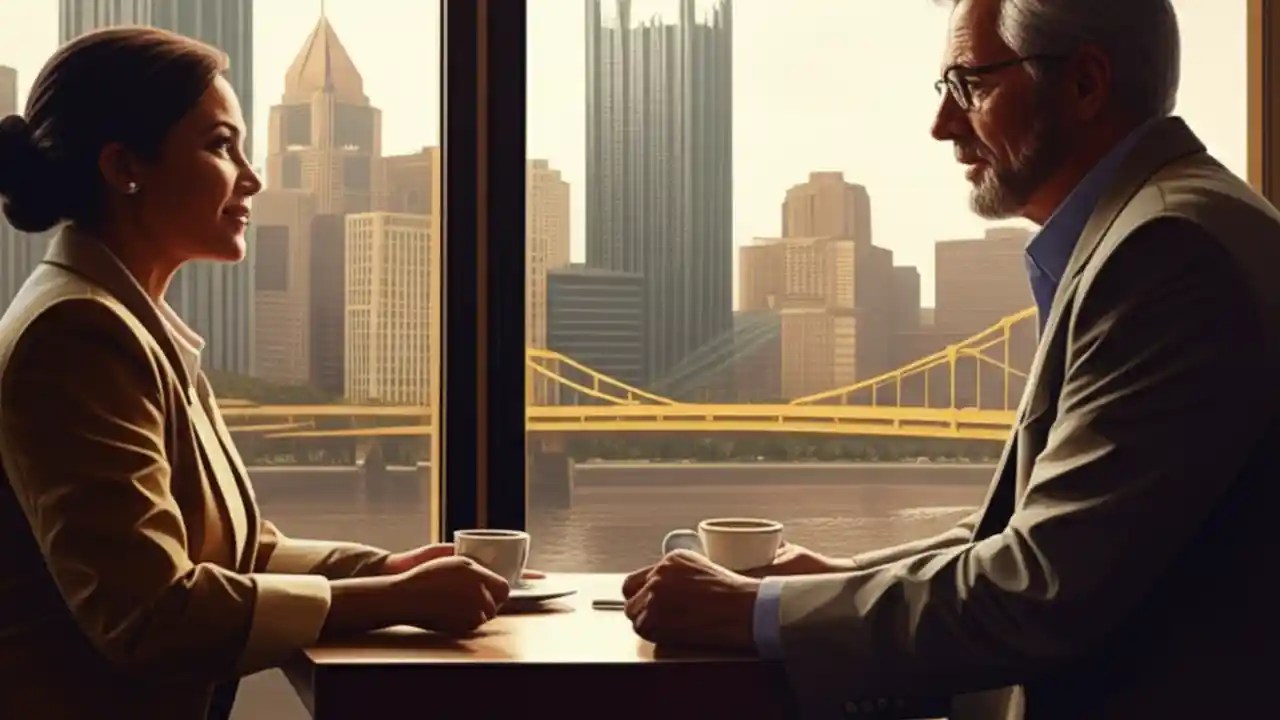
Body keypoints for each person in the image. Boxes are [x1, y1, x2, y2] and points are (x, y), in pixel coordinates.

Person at [621, 0, 1280, 717]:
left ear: (1086, 84)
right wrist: (840, 579)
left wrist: (751, 611)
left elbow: (1039, 587)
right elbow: (1043, 528)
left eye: (971, 85)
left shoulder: (1165, 255)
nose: (943, 125)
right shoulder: (1166, 225)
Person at [0, 27, 518, 720]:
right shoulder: (77, 336)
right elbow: (149, 614)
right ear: (126, 166)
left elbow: (235, 547)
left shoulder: (126, 321)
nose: (253, 176)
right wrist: (390, 603)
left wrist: (385, 569)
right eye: (220, 146)